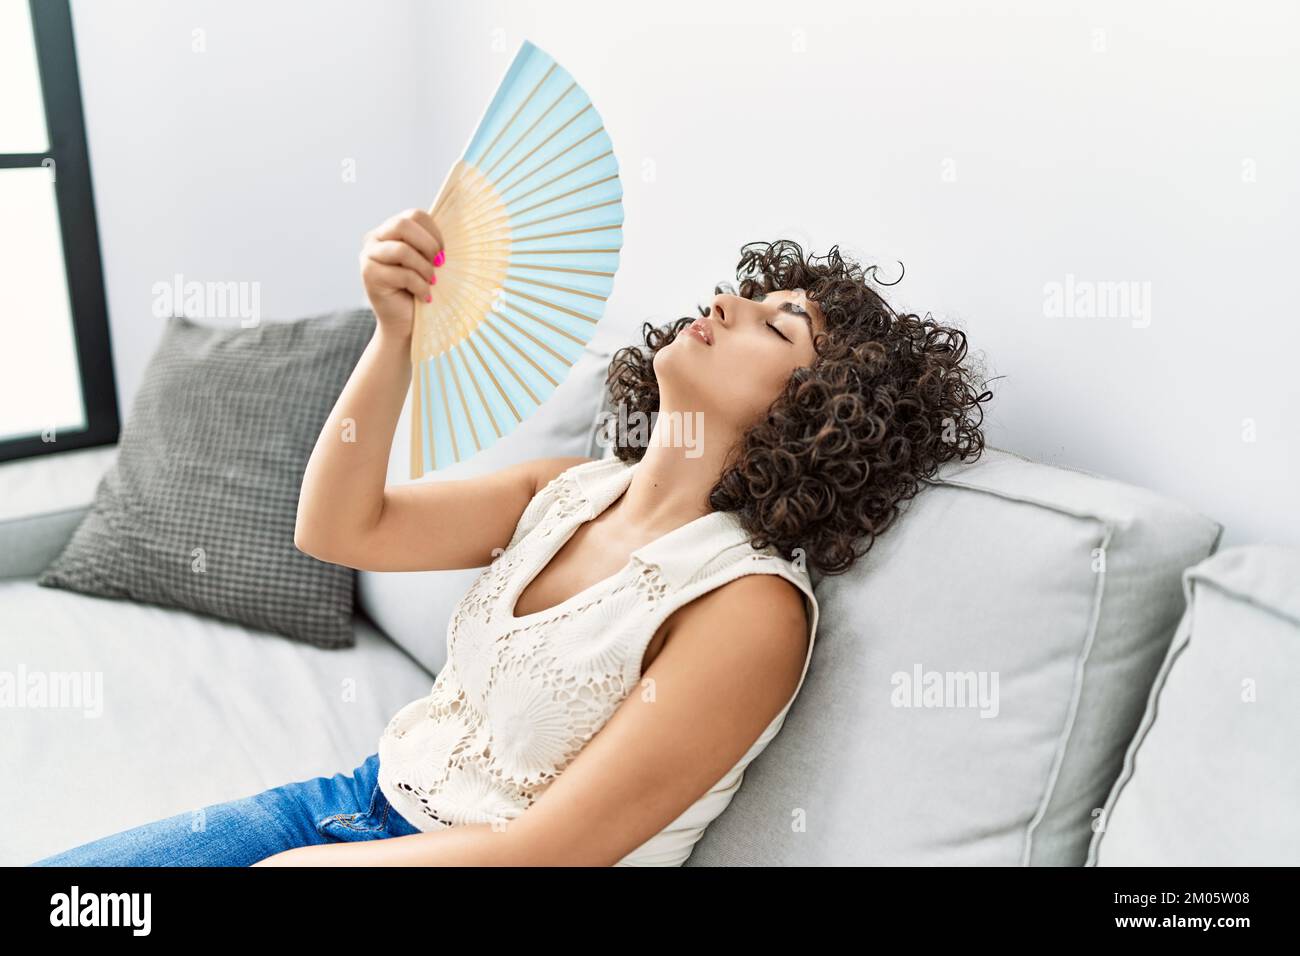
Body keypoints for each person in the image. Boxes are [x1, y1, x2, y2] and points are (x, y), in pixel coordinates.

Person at [30, 210, 993, 866]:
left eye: (777, 327)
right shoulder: (569, 491)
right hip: (357, 802)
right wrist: (394, 334)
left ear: (814, 415)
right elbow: (336, 526)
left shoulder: (748, 607)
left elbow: (550, 852)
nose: (727, 304)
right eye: (748, 294)